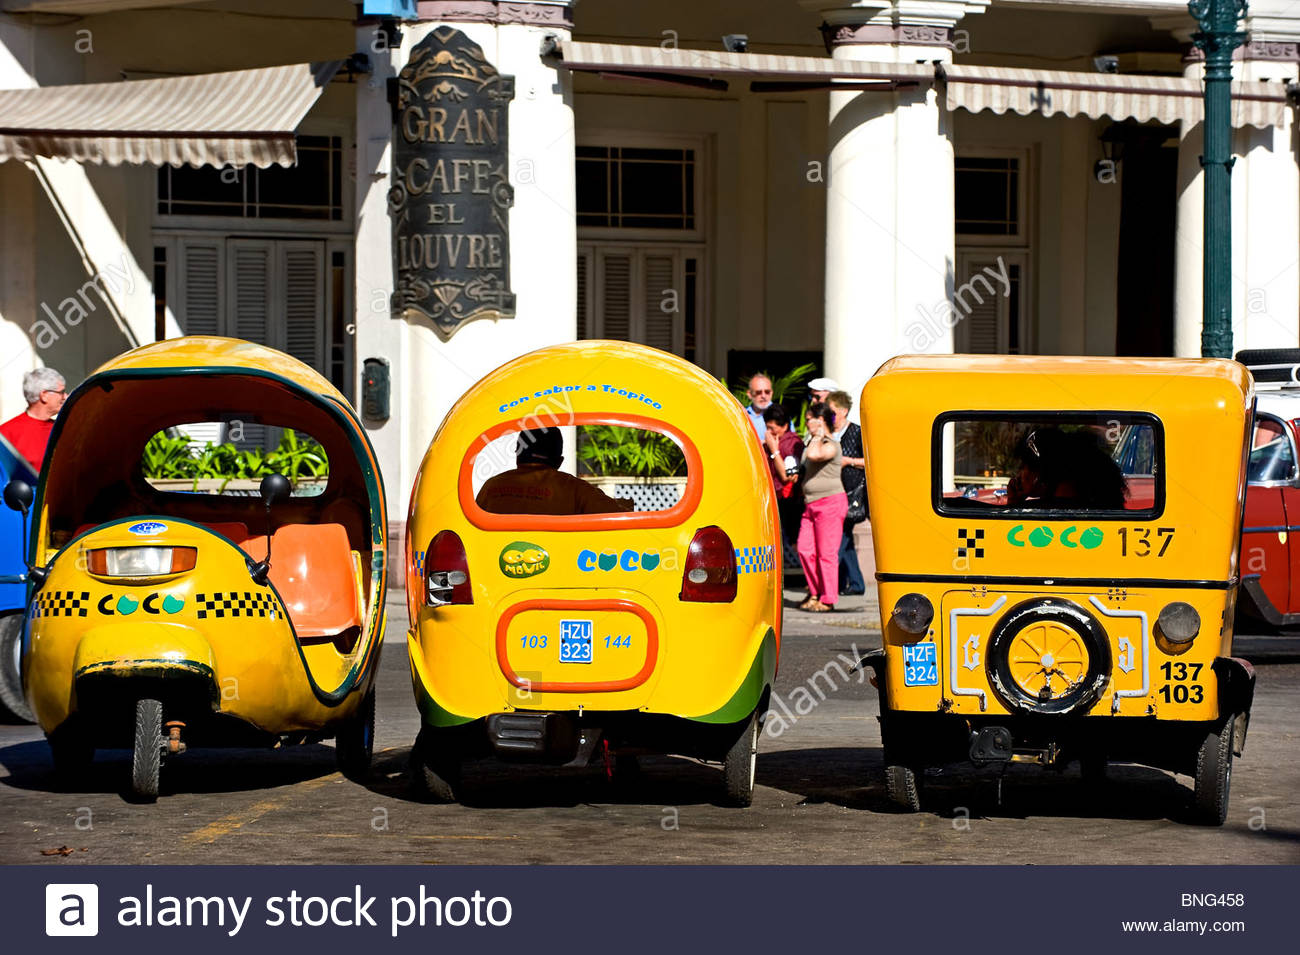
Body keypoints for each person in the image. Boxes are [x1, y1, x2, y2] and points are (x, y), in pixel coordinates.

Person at [476, 428, 634, 516]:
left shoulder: (491, 487)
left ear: (517, 454)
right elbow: (620, 516)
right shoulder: (574, 489)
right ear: (559, 461)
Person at [797, 402, 848, 613]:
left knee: (826, 554)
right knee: (805, 549)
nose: (807, 422)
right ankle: (815, 591)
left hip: (831, 503)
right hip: (810, 505)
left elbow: (814, 456)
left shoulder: (831, 444)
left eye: (809, 418)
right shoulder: (812, 443)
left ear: (820, 420)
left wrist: (819, 434)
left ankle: (827, 598)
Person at [1007, 427, 1127, 510]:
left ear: (1040, 473)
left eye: (1023, 466)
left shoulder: (1033, 511)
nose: (1019, 474)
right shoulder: (1105, 508)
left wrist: (1013, 505)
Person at [827, 390, 866, 596]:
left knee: (839, 540)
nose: (828, 415)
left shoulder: (856, 432)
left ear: (843, 411)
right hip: (833, 493)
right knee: (845, 538)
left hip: (851, 494)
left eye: (831, 411)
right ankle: (856, 584)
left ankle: (831, 584)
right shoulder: (828, 433)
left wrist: (848, 461)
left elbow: (870, 461)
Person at [0, 367, 65, 472]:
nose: (65, 397)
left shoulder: (65, 428)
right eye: (61, 392)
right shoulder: (5, 436)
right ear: (44, 395)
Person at [762, 403, 805, 559]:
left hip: (790, 500)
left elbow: (787, 476)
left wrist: (774, 450)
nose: (769, 432)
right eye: (767, 428)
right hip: (775, 497)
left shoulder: (793, 443)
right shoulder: (770, 441)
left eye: (772, 428)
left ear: (785, 425)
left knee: (793, 540)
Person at [743, 374, 773, 441]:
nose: (763, 396)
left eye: (767, 392)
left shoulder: (782, 414)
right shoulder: (742, 415)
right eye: (758, 392)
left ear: (771, 393)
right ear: (749, 394)